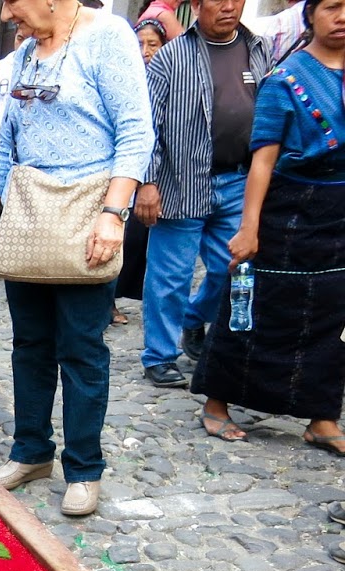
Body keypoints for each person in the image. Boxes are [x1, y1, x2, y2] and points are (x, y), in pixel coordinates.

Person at [0, 0, 152, 518]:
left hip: (88, 209)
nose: (8, 14)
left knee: (82, 348)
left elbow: (135, 132)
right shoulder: (16, 62)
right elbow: (4, 154)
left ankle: (84, 467)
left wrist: (113, 213)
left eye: (13, 5)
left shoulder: (108, 37)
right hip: (29, 214)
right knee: (30, 344)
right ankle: (31, 452)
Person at [192, 0, 345, 454]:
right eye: (333, 7)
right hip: (288, 211)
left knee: (333, 316)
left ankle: (322, 417)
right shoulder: (285, 80)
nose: (342, 16)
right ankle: (216, 405)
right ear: (310, 17)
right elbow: (263, 160)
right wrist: (249, 227)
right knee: (252, 306)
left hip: (339, 213)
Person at [135, 0, 269, 395]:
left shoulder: (258, 48)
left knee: (229, 269)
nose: (228, 6)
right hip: (181, 182)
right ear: (196, 5)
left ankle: (194, 316)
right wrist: (147, 181)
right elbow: (148, 124)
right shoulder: (171, 57)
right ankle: (159, 356)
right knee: (169, 276)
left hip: (237, 182)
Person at [114, 18, 170, 315]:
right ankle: (107, 300)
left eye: (153, 44)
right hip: (122, 173)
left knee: (138, 242)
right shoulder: (123, 77)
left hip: (152, 172)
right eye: (140, 44)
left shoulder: (168, 77)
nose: (146, 51)